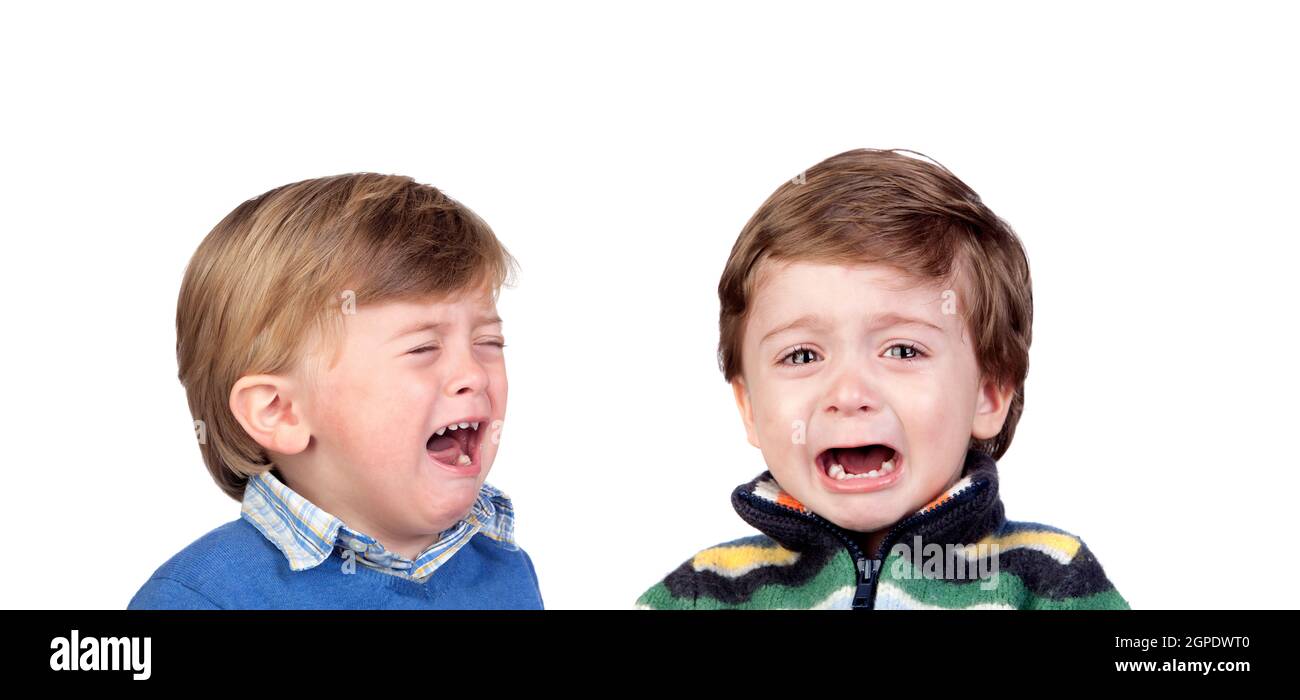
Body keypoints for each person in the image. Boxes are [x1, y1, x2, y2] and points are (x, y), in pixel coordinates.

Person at [636, 149, 1128, 609]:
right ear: (748, 407)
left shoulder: (1050, 579)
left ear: (989, 391)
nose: (849, 395)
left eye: (903, 350)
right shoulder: (702, 592)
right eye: (803, 355)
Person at [129, 173, 541, 609]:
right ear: (279, 410)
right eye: (422, 347)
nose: (474, 374)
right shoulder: (204, 598)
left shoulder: (505, 568)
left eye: (489, 343)